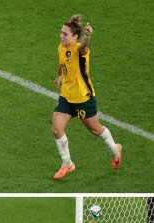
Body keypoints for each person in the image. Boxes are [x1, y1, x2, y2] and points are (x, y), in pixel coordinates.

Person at [51, 15, 121, 180]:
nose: (61, 36)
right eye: (61, 32)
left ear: (75, 37)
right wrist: (59, 76)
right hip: (67, 97)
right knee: (56, 129)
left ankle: (115, 150)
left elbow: (83, 46)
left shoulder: (80, 50)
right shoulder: (61, 47)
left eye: (65, 34)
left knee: (95, 130)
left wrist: (87, 36)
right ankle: (67, 163)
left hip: (84, 98)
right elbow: (62, 63)